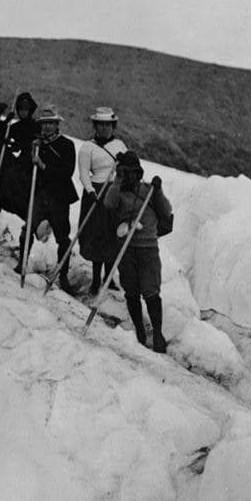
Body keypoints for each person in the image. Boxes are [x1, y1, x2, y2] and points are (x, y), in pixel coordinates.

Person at [102, 150, 173, 352]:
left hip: (148, 248)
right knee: (131, 291)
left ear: (139, 173)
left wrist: (158, 191)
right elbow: (109, 204)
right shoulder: (117, 192)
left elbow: (166, 211)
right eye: (124, 172)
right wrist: (117, 181)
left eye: (131, 172)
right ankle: (140, 331)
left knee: (151, 292)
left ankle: (158, 332)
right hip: (126, 249)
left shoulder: (149, 190)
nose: (128, 176)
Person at [13, 106, 79, 293]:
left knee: (62, 237)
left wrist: (42, 165)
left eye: (51, 123)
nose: (48, 127)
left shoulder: (67, 145)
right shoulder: (36, 144)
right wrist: (31, 154)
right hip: (40, 195)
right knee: (28, 228)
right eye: (44, 124)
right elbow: (26, 168)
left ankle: (63, 274)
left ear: (57, 124)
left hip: (59, 197)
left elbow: (67, 172)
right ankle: (22, 263)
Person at [77, 107, 128, 295]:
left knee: (112, 236)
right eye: (101, 124)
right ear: (95, 125)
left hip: (115, 193)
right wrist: (91, 192)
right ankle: (96, 280)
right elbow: (83, 173)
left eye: (108, 125)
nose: (105, 128)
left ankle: (109, 278)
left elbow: (129, 167)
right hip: (96, 195)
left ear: (113, 126)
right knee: (97, 236)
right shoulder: (87, 147)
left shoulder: (120, 145)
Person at [0, 92, 39, 217]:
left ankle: (26, 215)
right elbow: (1, 134)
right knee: (9, 176)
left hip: (34, 160)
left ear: (30, 110)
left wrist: (21, 145)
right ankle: (9, 211)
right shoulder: (16, 126)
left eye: (26, 109)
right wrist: (6, 121)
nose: (23, 112)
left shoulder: (36, 125)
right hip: (22, 160)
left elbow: (37, 141)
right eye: (20, 109)